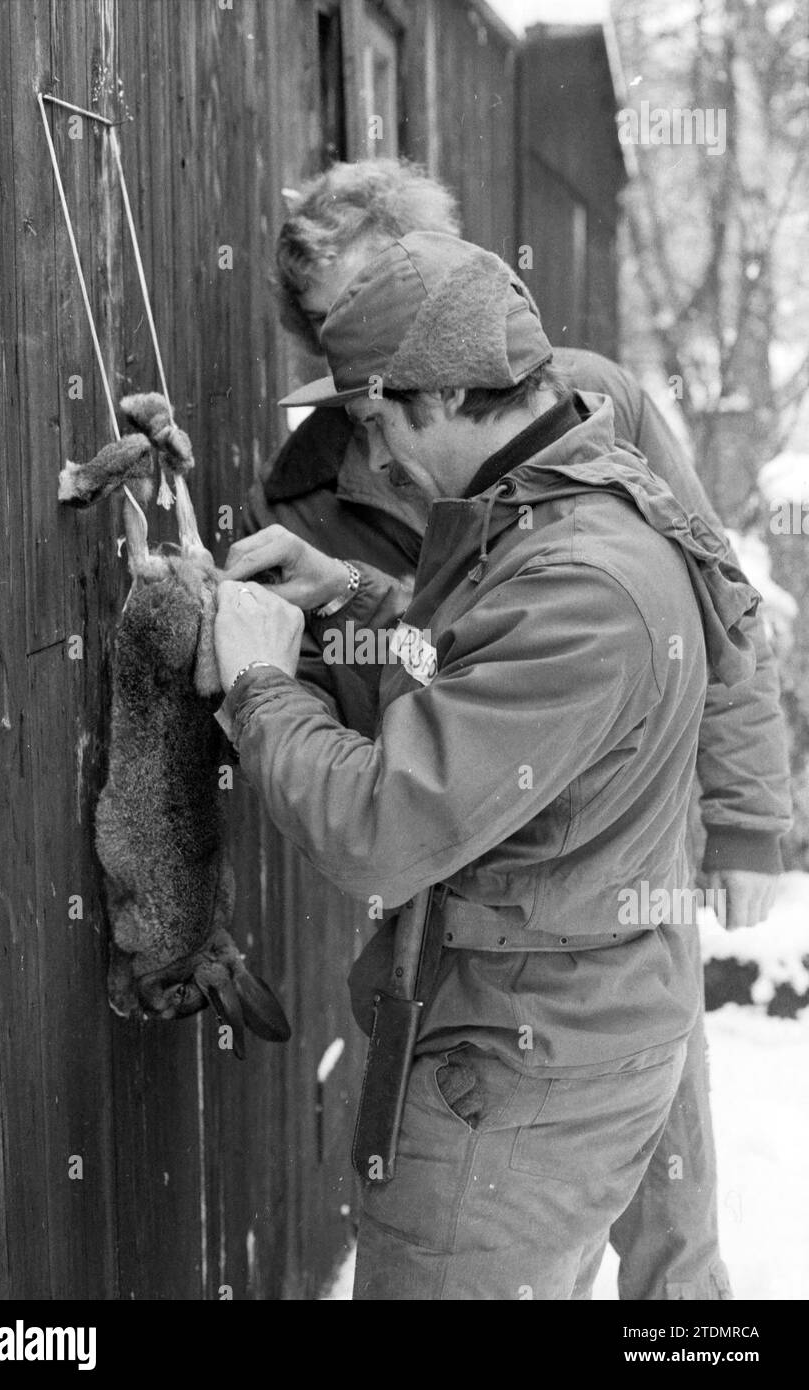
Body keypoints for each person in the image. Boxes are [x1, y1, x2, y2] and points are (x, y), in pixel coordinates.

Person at [226, 160, 792, 1301]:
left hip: (550, 996)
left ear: (437, 384)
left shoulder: (593, 484)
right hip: (556, 942)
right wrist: (344, 592)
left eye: (380, 416)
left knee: (672, 1255)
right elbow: (482, 650)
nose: (373, 453)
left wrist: (255, 684)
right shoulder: (548, 460)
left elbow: (393, 813)